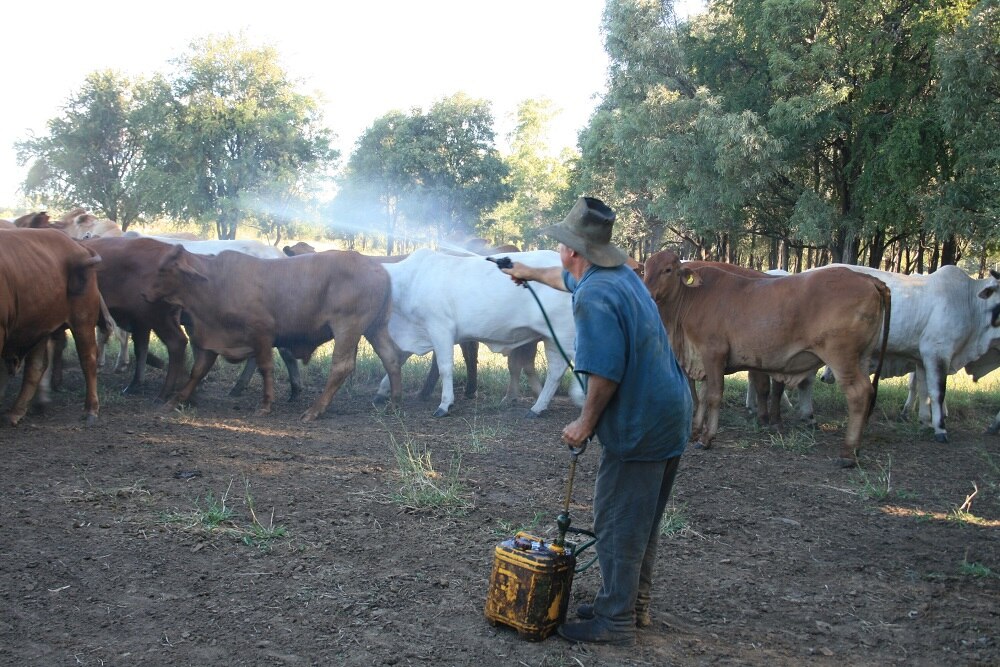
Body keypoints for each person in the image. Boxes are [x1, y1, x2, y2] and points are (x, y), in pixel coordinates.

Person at [501, 196, 692, 647]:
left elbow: (605, 373)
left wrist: (585, 423)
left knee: (616, 520)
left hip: (641, 424)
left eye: (562, 246)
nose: (560, 254)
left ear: (573, 250)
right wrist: (527, 272)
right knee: (640, 519)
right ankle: (630, 604)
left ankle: (616, 619)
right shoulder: (616, 273)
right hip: (670, 411)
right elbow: (564, 278)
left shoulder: (597, 297)